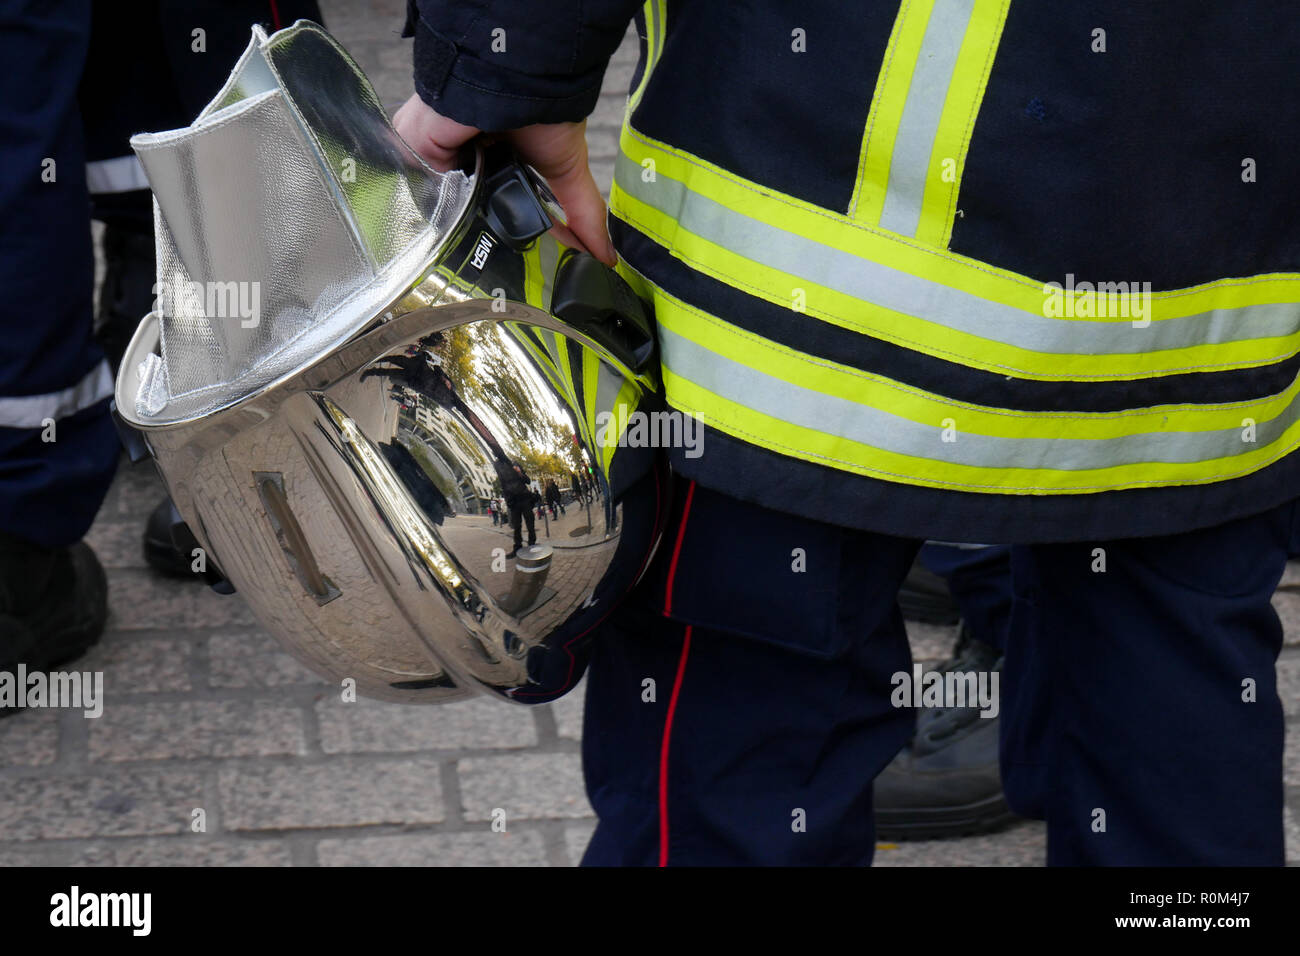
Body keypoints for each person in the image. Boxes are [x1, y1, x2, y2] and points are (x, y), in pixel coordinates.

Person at [396, 1, 1299, 865]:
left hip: (803, 284)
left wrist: (501, 64)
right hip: (1201, 291)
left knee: (745, 766)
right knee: (1171, 732)